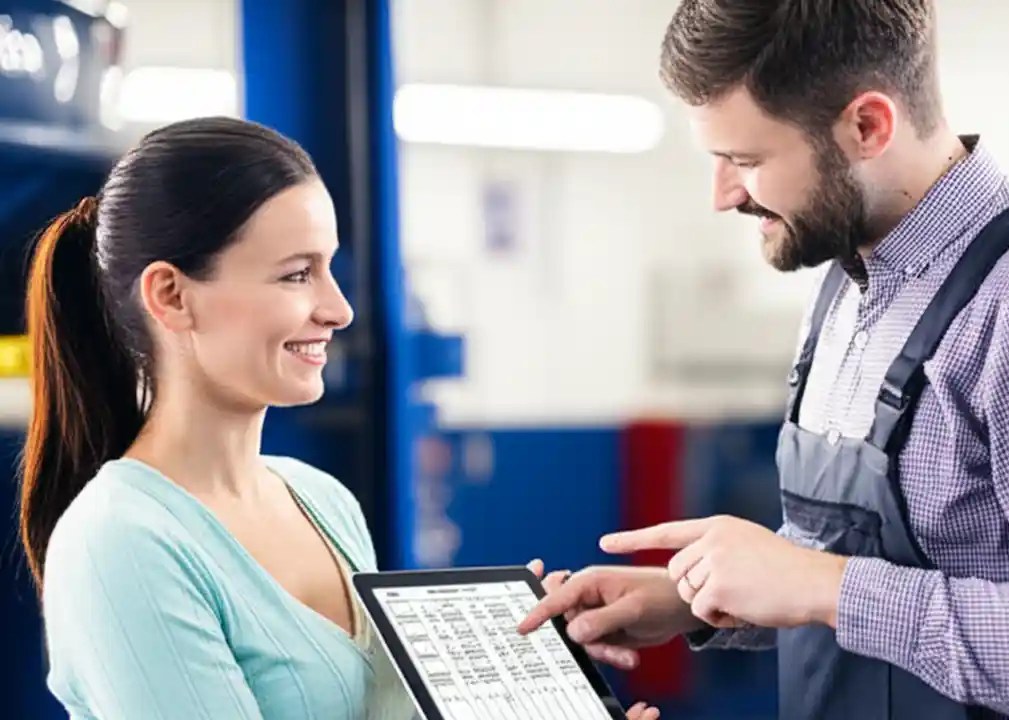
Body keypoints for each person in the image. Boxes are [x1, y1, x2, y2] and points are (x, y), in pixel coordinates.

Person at [520, 2, 1009, 719]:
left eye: (746, 161)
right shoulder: (846, 284)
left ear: (868, 126)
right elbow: (858, 574)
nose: (722, 196)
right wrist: (695, 597)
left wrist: (822, 585)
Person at [20, 117, 660, 720]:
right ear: (171, 295)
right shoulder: (121, 543)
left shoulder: (321, 499)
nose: (339, 309)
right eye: (297, 274)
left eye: (328, 268)